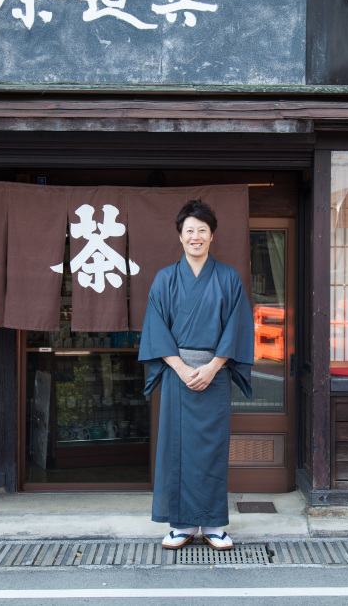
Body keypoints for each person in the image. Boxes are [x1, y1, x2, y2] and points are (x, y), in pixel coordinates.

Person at [138, 200, 254, 552]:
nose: (196, 236)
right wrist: (182, 368)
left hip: (213, 376)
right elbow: (156, 329)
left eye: (202, 230)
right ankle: (183, 524)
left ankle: (215, 523)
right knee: (175, 450)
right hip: (179, 376)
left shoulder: (228, 278)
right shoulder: (165, 279)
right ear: (180, 237)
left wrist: (214, 366)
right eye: (189, 230)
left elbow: (238, 327)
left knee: (212, 450)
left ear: (212, 236)